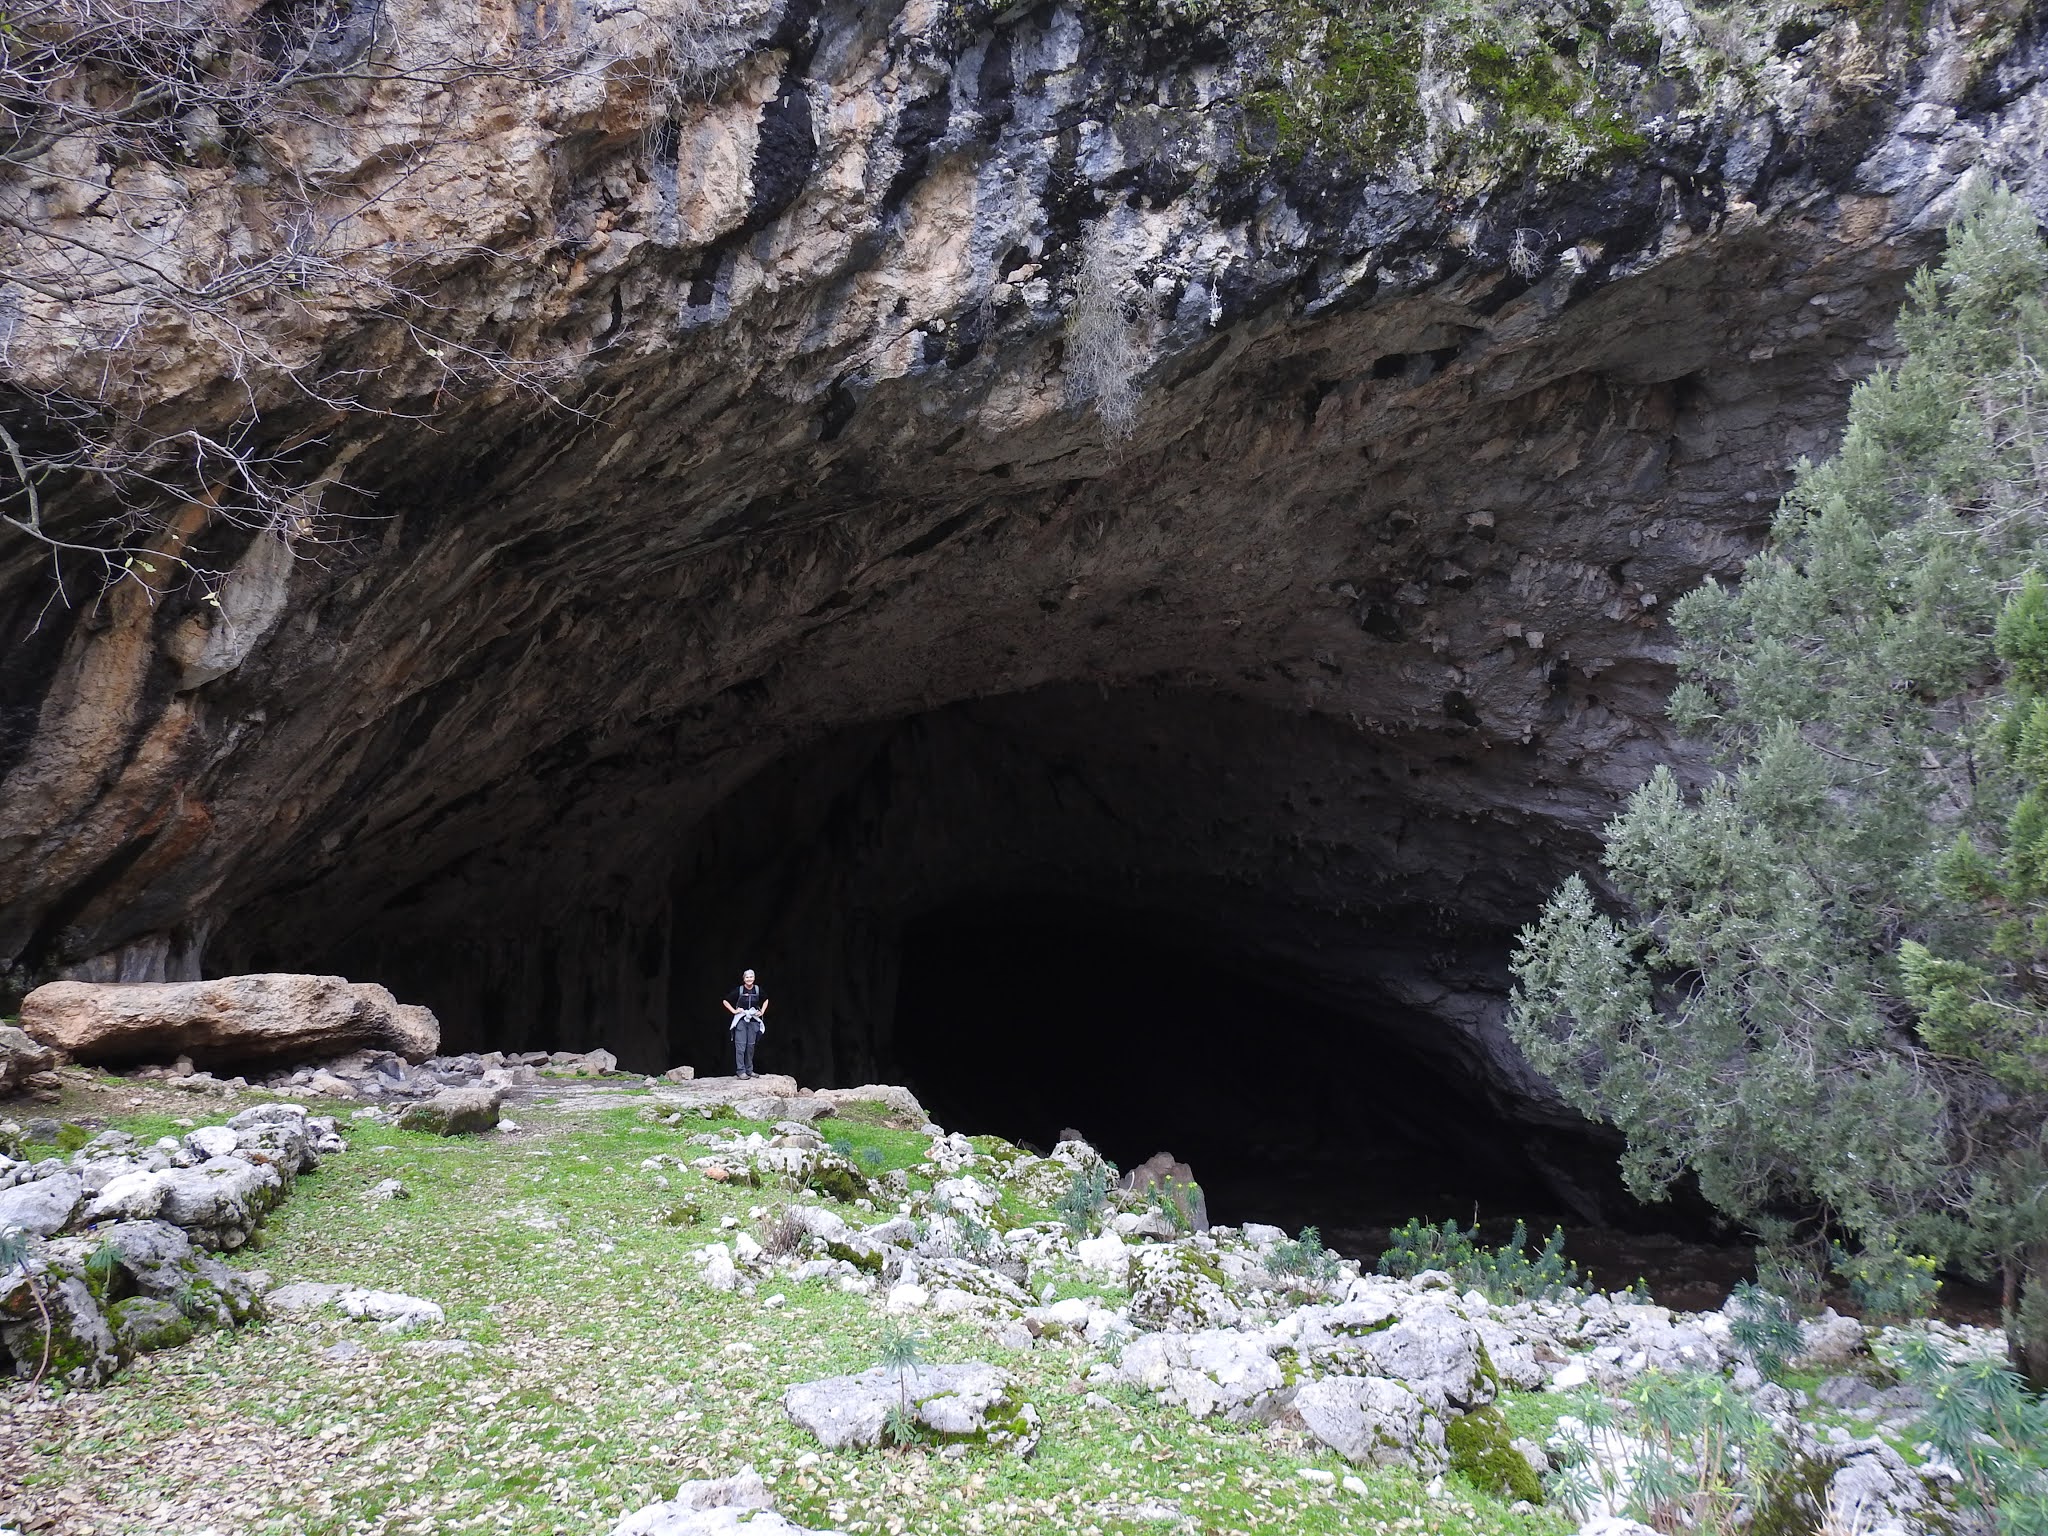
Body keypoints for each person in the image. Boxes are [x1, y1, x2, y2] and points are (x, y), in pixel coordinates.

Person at [722, 969, 769, 1079]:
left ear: (754, 978)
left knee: (750, 1046)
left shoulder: (757, 990)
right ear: (744, 979)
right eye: (747, 977)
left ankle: (749, 1070)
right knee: (740, 1046)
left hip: (753, 1020)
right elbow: (725, 1000)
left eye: (751, 977)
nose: (749, 979)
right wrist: (734, 1011)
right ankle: (741, 1071)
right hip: (741, 1020)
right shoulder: (739, 990)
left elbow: (766, 999)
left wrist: (762, 1011)